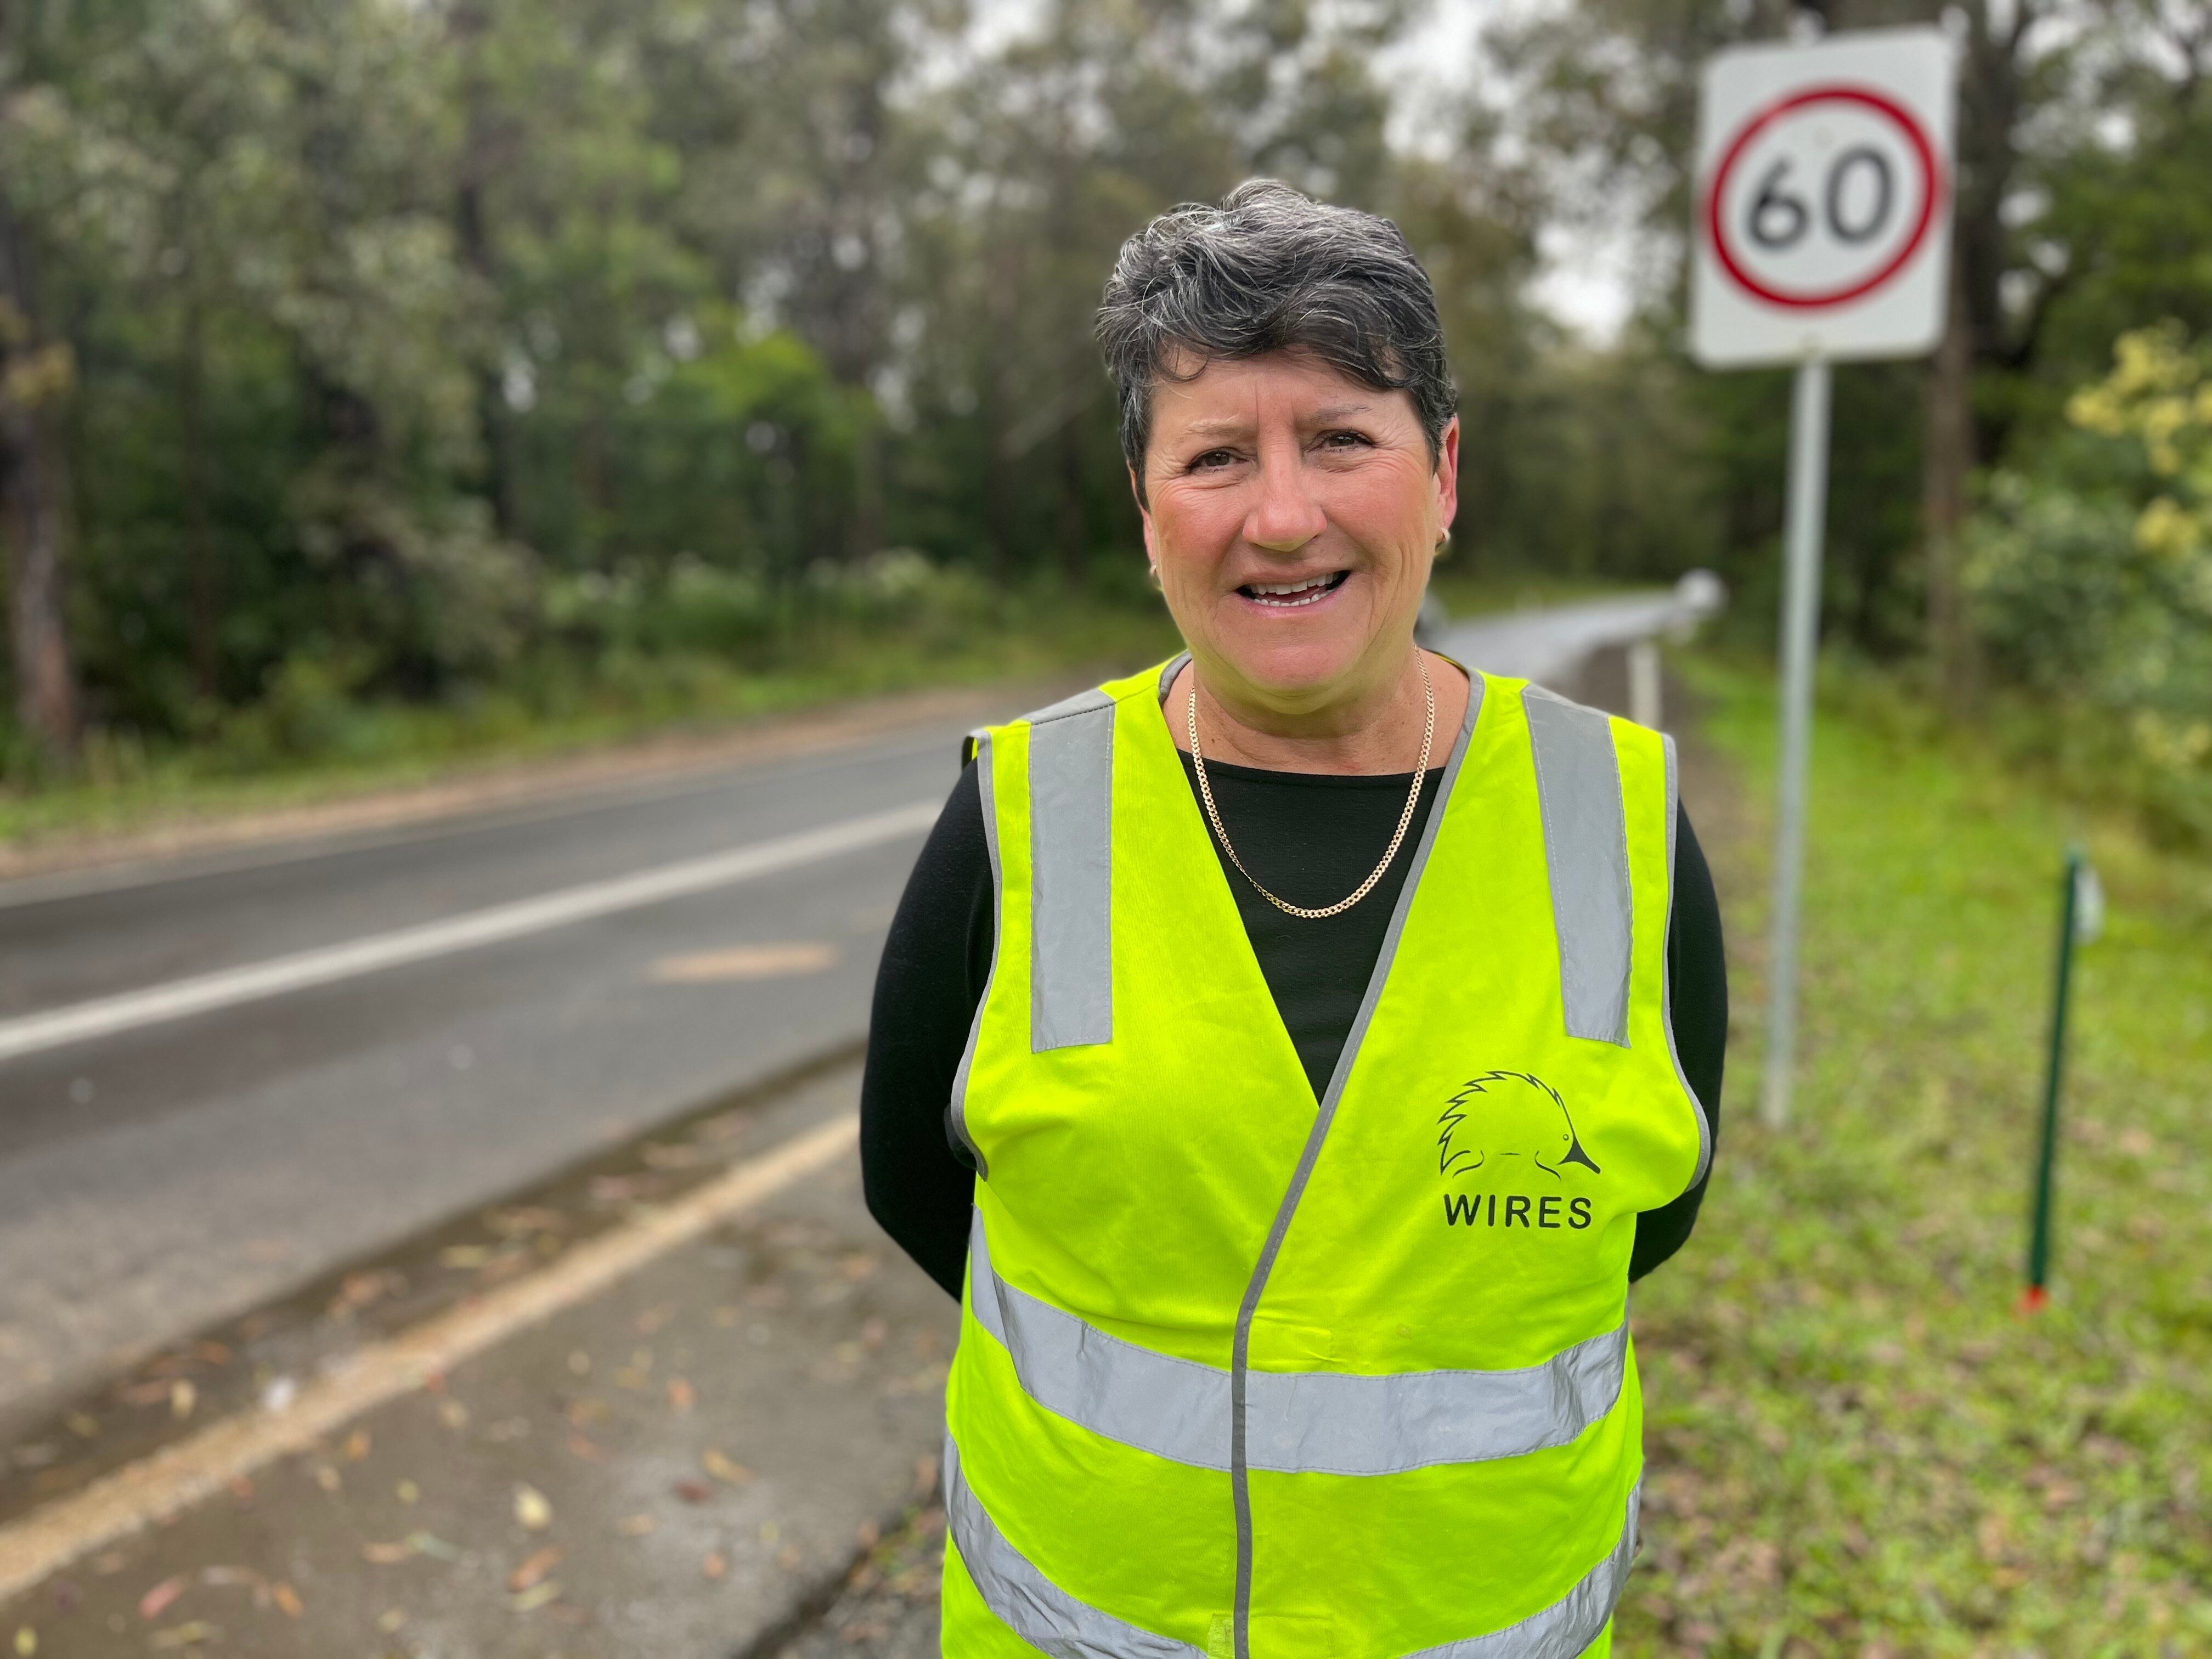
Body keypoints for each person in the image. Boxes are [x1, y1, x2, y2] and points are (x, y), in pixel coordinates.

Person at [861, 180, 1725, 1659]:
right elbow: (913, 1183)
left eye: (1340, 436)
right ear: (1148, 509)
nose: (1281, 513)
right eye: (1215, 455)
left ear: (1443, 474)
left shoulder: (1616, 813)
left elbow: (1654, 1212)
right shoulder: (1020, 817)